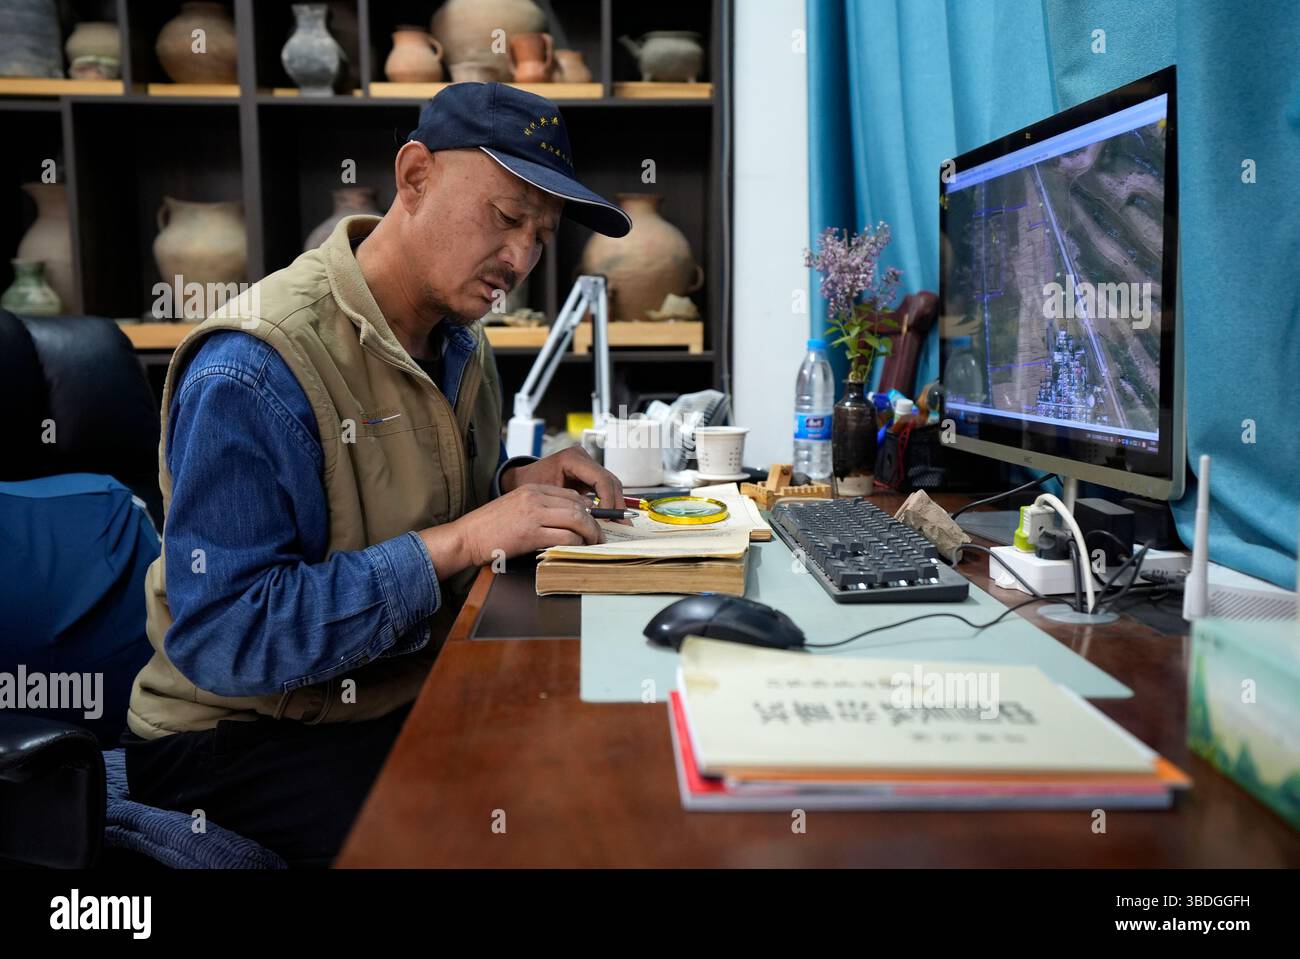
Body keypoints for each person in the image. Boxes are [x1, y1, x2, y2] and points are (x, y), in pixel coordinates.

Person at [122, 82, 633, 867]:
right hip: (233, 741)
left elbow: (412, 494)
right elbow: (226, 635)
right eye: (505, 217)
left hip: (393, 698)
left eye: (542, 233)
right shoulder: (254, 366)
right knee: (514, 838)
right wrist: (462, 540)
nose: (524, 258)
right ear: (415, 175)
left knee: (604, 758)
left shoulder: (459, 344)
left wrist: (509, 485)